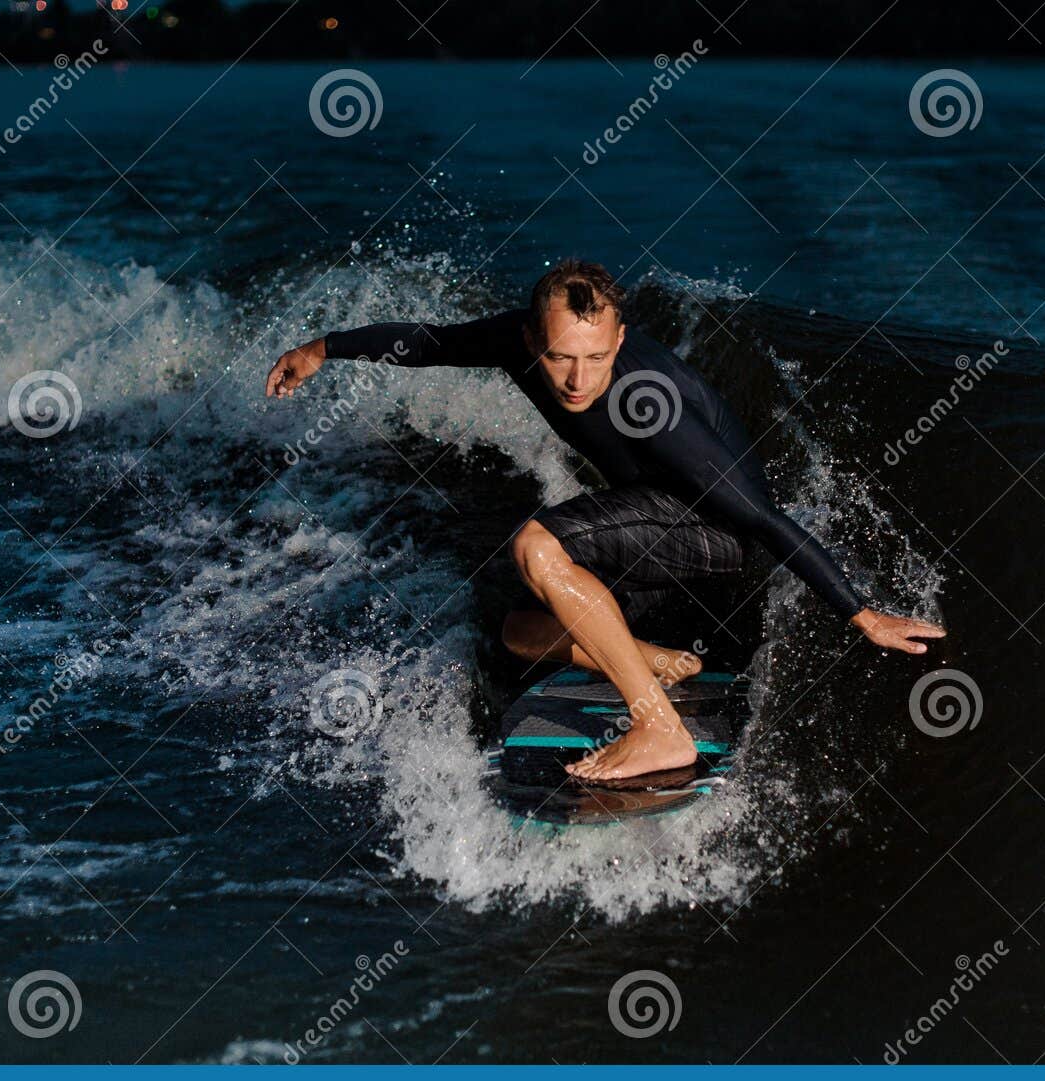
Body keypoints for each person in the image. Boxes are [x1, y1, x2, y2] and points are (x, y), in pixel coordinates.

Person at [265, 260, 944, 781]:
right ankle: (659, 663)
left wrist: (860, 613)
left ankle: (658, 727)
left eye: (596, 356)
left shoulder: (651, 406)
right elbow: (433, 342)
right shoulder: (517, 341)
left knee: (537, 546)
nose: (576, 378)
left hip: (716, 535)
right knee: (520, 632)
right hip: (651, 532)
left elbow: (760, 519)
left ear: (620, 338)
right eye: (560, 356)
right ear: (533, 336)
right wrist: (325, 348)